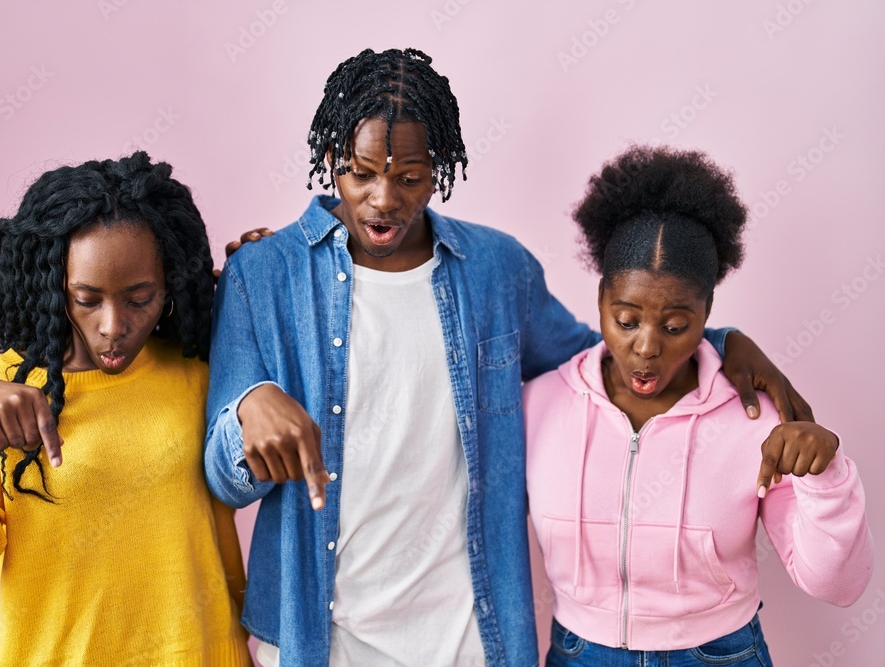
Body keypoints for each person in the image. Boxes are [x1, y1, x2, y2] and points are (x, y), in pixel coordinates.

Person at [204, 48, 812, 667]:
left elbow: (603, 366)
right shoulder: (262, 274)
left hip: (470, 635)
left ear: (439, 169)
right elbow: (221, 481)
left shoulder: (497, 269)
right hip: (315, 635)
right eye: (360, 174)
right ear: (331, 161)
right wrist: (251, 408)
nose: (383, 200)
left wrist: (720, 340)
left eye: (408, 178)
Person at [524, 145, 874, 666]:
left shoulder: (754, 416)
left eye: (674, 326)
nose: (646, 347)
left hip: (719, 654)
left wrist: (826, 476)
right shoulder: (539, 403)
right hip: (579, 653)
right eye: (625, 320)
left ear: (707, 311)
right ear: (600, 300)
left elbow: (837, 585)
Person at [0, 152, 253, 666]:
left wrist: (267, 283)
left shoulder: (199, 370)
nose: (113, 326)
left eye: (140, 298)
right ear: (55, 289)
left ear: (172, 286)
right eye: (87, 299)